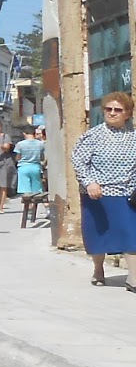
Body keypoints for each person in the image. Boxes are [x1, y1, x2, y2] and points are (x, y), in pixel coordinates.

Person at [71, 92, 136, 290]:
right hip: (98, 194)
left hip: (126, 194)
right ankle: (98, 269)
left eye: (118, 110)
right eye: (109, 109)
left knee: (130, 234)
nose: (112, 113)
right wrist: (89, 182)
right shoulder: (93, 136)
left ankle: (133, 278)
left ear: (128, 113)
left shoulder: (134, 136)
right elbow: (79, 161)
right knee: (98, 234)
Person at [14, 125, 47, 228]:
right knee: (36, 190)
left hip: (23, 167)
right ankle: (35, 209)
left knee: (26, 191)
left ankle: (28, 210)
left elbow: (18, 157)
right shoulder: (40, 144)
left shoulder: (20, 144)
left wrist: (19, 160)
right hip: (36, 167)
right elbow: (42, 157)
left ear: (24, 133)